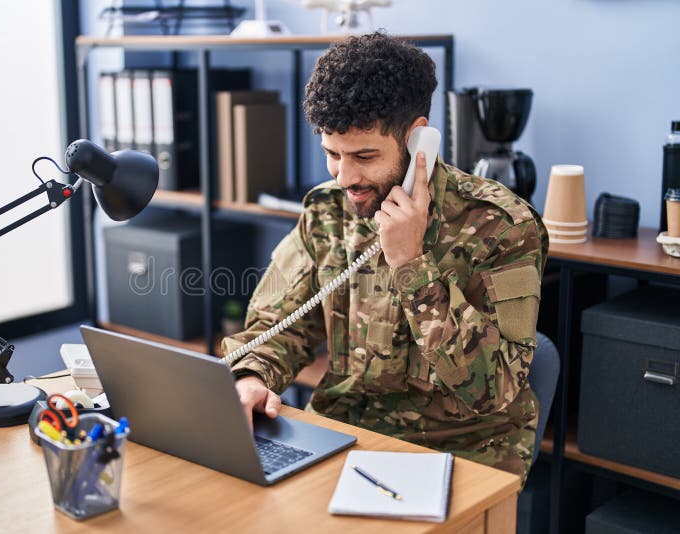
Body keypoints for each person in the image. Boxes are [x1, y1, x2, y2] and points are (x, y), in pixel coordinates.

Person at [222, 32, 548, 484]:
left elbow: (494, 391)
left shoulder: (503, 227)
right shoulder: (327, 209)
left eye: (364, 156)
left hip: (463, 450)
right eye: (332, 155)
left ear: (417, 140)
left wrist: (411, 263)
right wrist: (251, 377)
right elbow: (278, 325)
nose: (345, 177)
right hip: (346, 432)